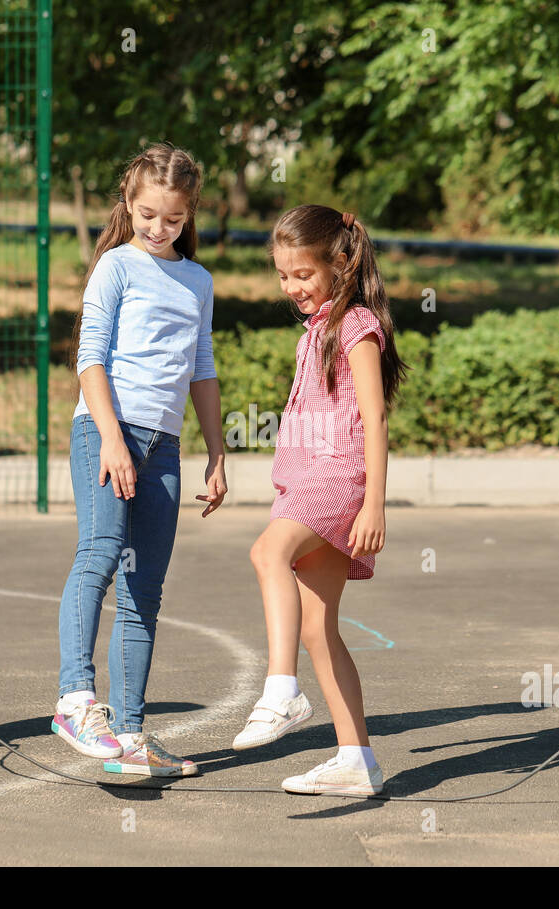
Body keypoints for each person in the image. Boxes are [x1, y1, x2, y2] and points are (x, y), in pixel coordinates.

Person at [52, 144, 227, 777]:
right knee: (100, 552)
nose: (159, 228)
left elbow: (201, 368)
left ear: (190, 215)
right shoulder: (115, 267)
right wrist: (113, 442)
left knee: (143, 591)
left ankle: (128, 739)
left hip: (165, 445)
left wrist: (216, 451)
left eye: (173, 219)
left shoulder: (198, 280)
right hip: (107, 431)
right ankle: (75, 697)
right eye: (147, 214)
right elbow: (89, 359)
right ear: (129, 204)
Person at [232, 204, 408, 796]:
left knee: (266, 554)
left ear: (341, 263)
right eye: (284, 276)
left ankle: (281, 689)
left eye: (303, 274)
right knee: (318, 628)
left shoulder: (356, 324)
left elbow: (375, 416)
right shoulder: (319, 328)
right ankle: (357, 759)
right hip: (307, 480)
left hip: (338, 479)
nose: (292, 287)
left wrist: (375, 504)